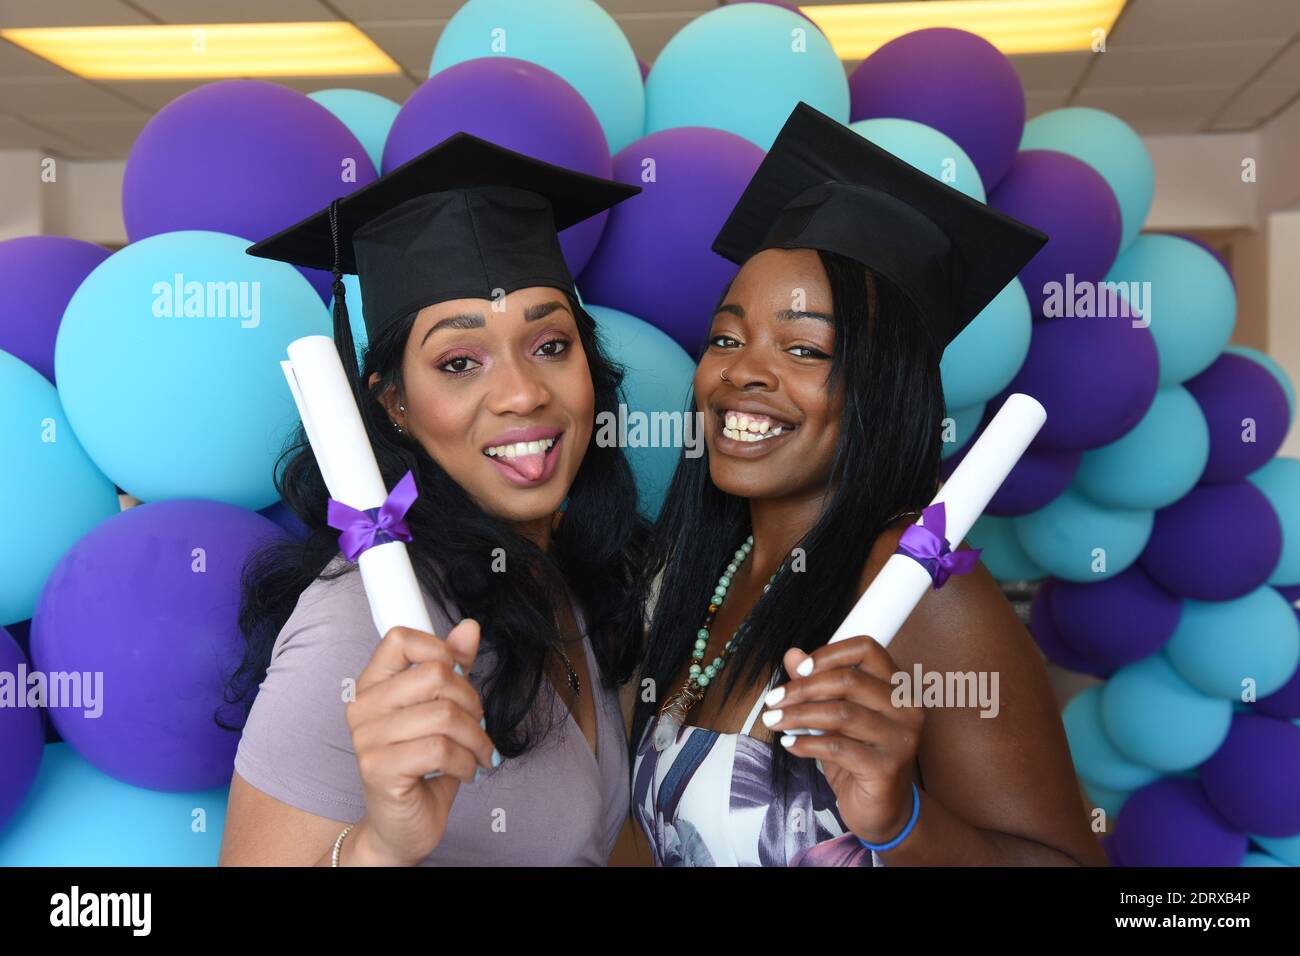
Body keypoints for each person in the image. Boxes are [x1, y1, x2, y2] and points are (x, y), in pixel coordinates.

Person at [631, 102, 1109, 867]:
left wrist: (901, 820)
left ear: (882, 391)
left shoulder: (922, 585)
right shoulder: (706, 564)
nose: (743, 370)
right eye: (725, 337)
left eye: (805, 349)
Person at [217, 132, 650, 866]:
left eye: (550, 345)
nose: (522, 393)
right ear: (394, 405)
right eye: (458, 362)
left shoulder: (569, 575)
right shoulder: (359, 624)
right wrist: (382, 844)